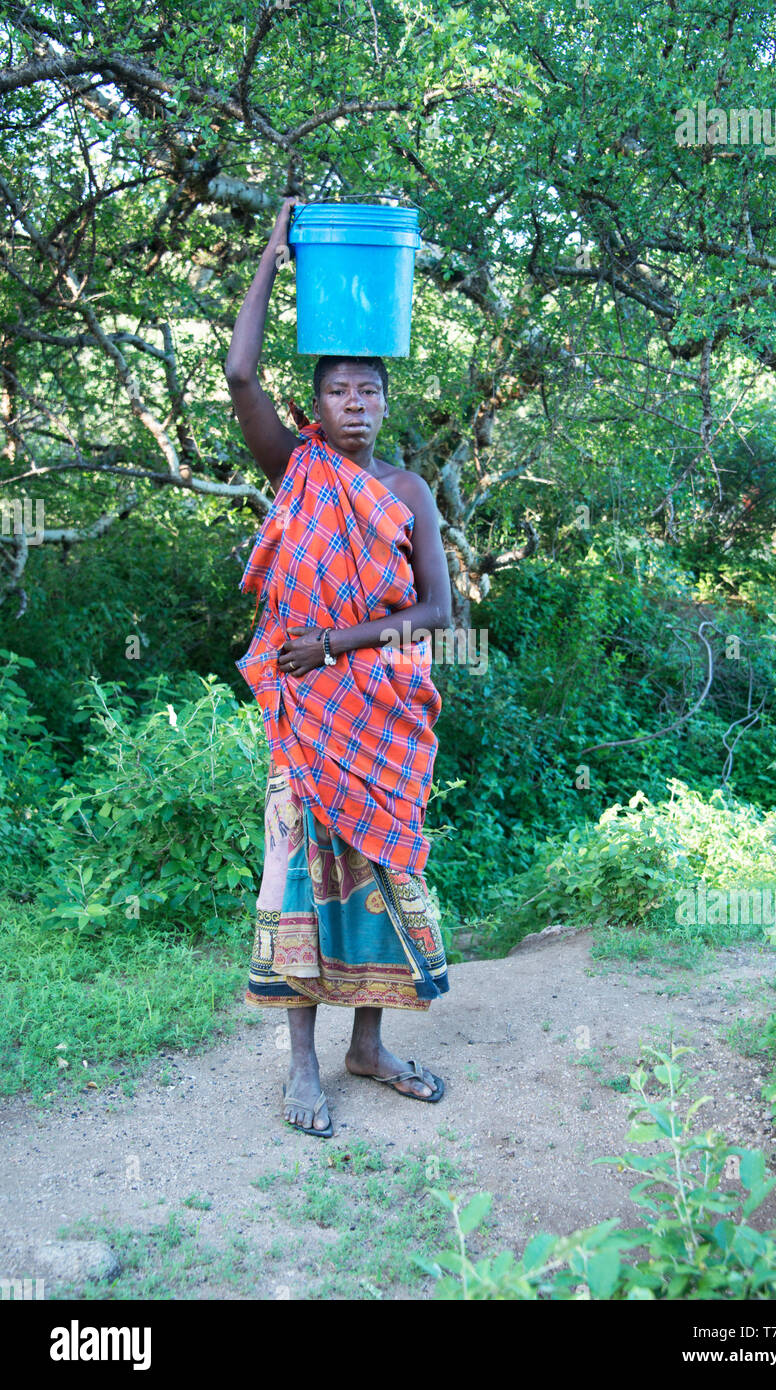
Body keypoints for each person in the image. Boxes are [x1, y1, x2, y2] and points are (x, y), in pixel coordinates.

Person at [224, 198, 452, 1137]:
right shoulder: (298, 469)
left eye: (370, 393)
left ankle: (370, 1043)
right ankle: (303, 1071)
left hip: (379, 709)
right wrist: (273, 259)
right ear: (314, 407)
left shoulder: (406, 493)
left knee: (381, 869)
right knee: (305, 883)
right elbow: (240, 371)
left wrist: (338, 645)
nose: (355, 407)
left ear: (387, 404)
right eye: (338, 393)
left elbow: (435, 611)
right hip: (308, 721)